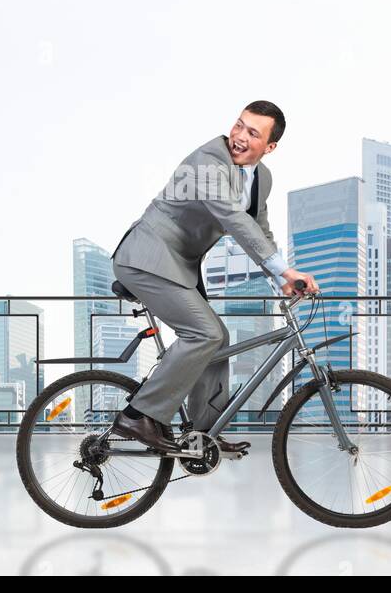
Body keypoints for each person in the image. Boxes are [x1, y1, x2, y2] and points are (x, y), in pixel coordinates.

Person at [108, 100, 319, 454]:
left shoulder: (260, 178)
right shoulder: (208, 161)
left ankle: (203, 433)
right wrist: (284, 269)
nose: (238, 136)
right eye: (238, 125)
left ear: (270, 147)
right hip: (148, 256)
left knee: (217, 342)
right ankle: (138, 415)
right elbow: (234, 219)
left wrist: (281, 277)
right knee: (203, 333)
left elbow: (259, 228)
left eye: (252, 133)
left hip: (181, 264)